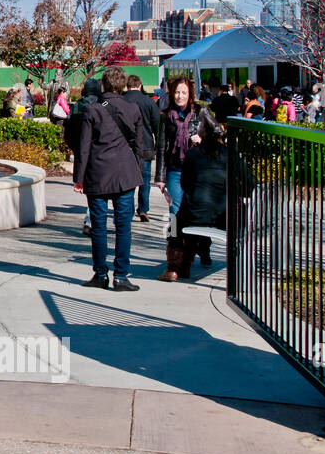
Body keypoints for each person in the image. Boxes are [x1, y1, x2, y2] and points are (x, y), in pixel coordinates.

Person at [73, 66, 145, 291]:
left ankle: (100, 273)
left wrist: (79, 177)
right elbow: (140, 145)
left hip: (98, 174)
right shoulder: (133, 109)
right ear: (123, 85)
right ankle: (121, 276)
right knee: (123, 226)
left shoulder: (92, 110)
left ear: (103, 84)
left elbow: (83, 147)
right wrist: (137, 171)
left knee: (99, 226)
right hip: (125, 174)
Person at [155, 75, 221, 278]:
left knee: (195, 214)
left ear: (190, 93)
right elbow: (162, 148)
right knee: (176, 211)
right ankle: (174, 265)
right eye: (176, 92)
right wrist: (160, 177)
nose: (180, 96)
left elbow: (219, 132)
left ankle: (201, 248)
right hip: (175, 170)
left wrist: (203, 139)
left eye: (183, 92)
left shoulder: (201, 112)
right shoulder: (165, 116)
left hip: (198, 170)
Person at [159, 122, 228, 281]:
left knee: (176, 224)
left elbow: (185, 183)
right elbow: (250, 182)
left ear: (201, 136)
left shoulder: (193, 154)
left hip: (197, 213)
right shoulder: (230, 155)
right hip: (225, 217)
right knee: (191, 221)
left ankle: (174, 268)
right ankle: (193, 261)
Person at [65, 78, 103, 236]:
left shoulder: (77, 106)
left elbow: (68, 132)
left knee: (91, 190)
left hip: (82, 153)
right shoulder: (103, 105)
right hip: (100, 153)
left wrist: (77, 149)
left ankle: (90, 220)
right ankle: (92, 219)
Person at [123, 74, 159, 223]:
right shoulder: (148, 102)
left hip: (127, 146)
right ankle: (143, 209)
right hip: (146, 145)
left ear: (127, 86)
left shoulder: (122, 100)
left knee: (129, 179)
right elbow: (157, 124)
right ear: (140, 85)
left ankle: (129, 210)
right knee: (144, 179)